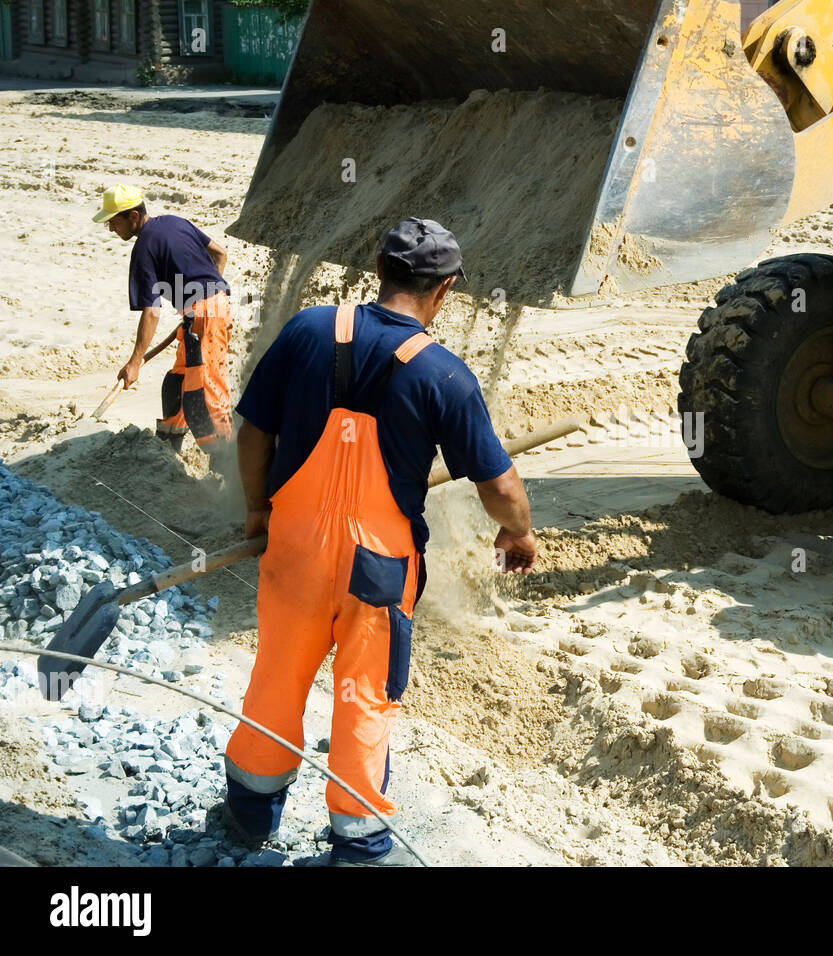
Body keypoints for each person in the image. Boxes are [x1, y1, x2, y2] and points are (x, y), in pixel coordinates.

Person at [221, 218, 537, 866]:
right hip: (380, 568)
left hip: (295, 551)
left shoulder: (309, 331)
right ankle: (358, 845)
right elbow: (499, 483)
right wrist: (518, 531)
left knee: (277, 679)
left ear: (377, 265)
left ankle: (249, 815)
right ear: (445, 290)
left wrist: (259, 507)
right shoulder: (445, 375)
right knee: (364, 698)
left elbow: (252, 434)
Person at [94, 183, 234, 453]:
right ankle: (169, 449)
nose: (111, 229)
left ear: (133, 217)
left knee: (205, 397)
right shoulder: (174, 222)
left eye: (113, 222)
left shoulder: (144, 248)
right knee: (177, 383)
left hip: (207, 315)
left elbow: (152, 311)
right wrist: (210, 296)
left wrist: (134, 363)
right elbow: (219, 253)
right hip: (206, 312)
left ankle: (227, 465)